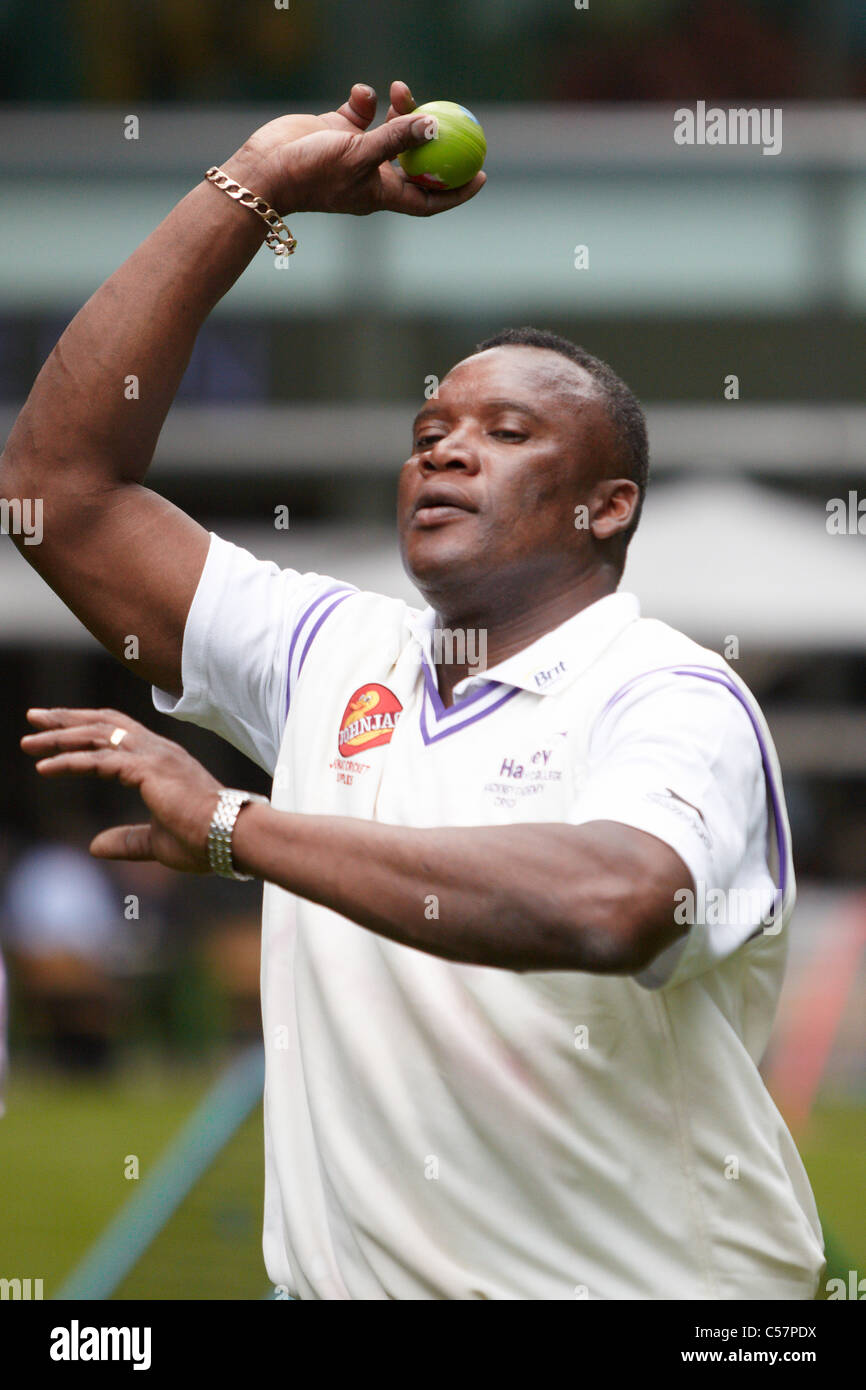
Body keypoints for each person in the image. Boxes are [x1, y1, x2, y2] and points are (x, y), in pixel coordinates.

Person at [3, 82, 824, 1300]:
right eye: (428, 426)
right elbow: (55, 492)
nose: (442, 448)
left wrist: (236, 828)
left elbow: (613, 903)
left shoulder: (668, 693)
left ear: (607, 507)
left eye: (504, 433)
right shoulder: (330, 652)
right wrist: (252, 188)